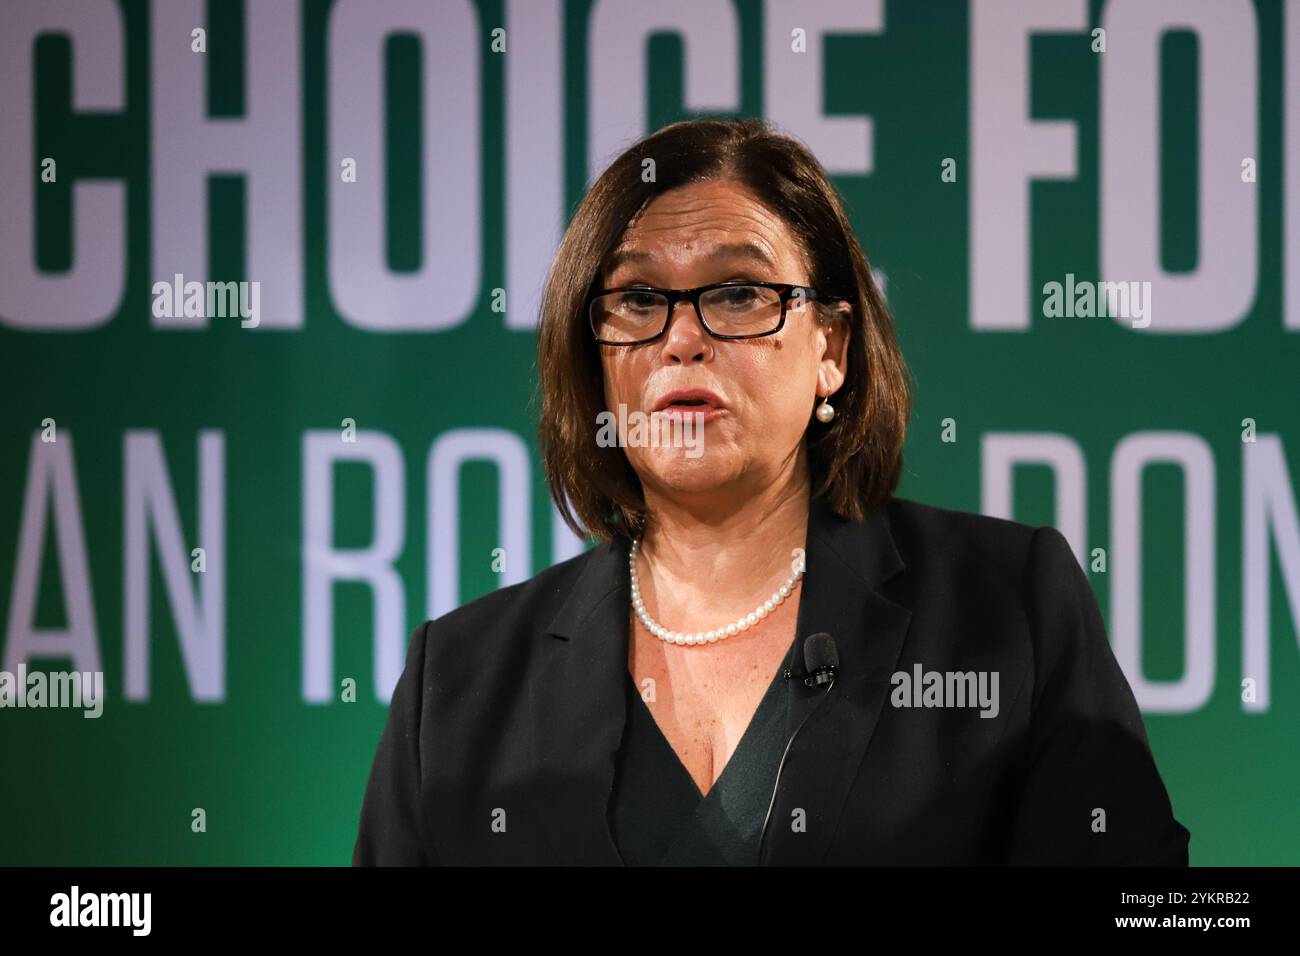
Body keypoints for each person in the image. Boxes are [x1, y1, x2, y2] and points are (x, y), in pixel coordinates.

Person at [352, 117, 1190, 866]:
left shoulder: (1006, 610)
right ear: (596, 355)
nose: (682, 337)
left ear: (832, 346)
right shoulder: (458, 687)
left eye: (739, 293)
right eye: (638, 299)